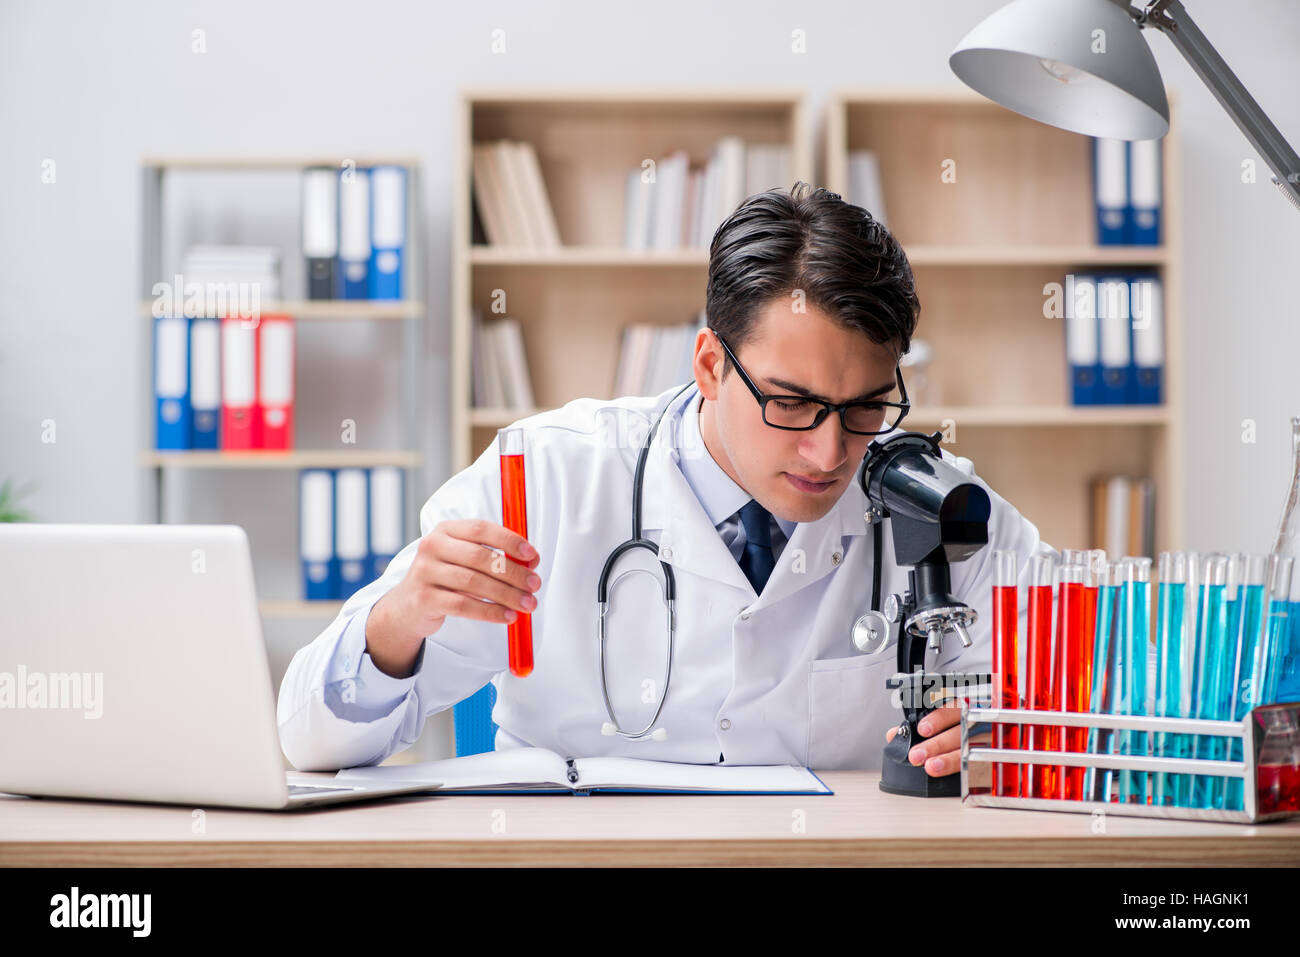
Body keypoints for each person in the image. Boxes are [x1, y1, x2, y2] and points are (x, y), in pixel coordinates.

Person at [277, 181, 1054, 773]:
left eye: (864, 408)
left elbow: (1093, 690)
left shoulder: (936, 505)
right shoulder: (547, 479)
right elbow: (310, 738)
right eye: (791, 403)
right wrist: (396, 624)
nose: (828, 453)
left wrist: (1006, 737)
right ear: (711, 364)